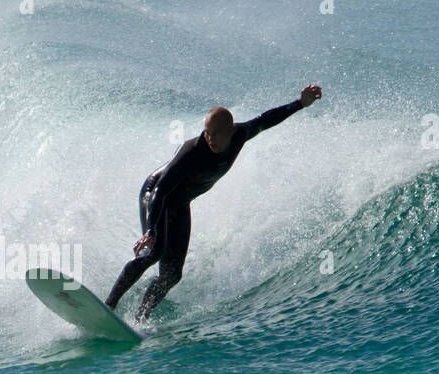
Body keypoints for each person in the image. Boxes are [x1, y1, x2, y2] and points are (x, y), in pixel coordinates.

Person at [105, 86, 322, 320]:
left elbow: (266, 119)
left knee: (172, 275)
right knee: (154, 252)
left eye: (216, 133)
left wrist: (300, 103)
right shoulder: (190, 153)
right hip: (156, 194)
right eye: (207, 133)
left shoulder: (240, 134)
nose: (210, 139)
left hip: (179, 202)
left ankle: (140, 318)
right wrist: (150, 231)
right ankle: (110, 305)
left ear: (230, 130)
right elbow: (161, 190)